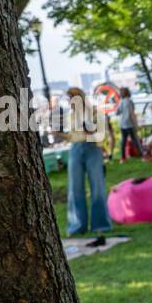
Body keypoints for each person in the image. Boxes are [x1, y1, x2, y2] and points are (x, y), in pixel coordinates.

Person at [64, 87, 112, 237]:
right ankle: (77, 225)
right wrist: (58, 134)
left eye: (72, 98)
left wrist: (91, 132)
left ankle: (100, 224)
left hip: (92, 148)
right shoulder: (70, 116)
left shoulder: (95, 113)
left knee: (97, 186)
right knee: (75, 188)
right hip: (75, 149)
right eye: (69, 99)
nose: (70, 102)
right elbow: (72, 137)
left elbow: (101, 135)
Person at [115, 86, 141, 162]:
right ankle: (141, 154)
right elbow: (132, 113)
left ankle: (123, 157)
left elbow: (117, 112)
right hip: (129, 123)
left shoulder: (120, 102)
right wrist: (136, 124)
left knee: (124, 141)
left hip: (122, 123)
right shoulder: (129, 101)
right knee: (134, 139)